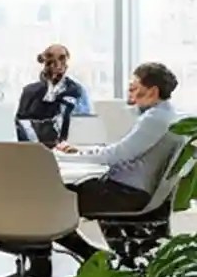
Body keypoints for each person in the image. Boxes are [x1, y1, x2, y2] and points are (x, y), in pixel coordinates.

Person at [53, 62, 182, 260]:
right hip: (129, 190)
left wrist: (74, 155)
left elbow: (118, 155)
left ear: (153, 91)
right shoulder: (166, 115)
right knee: (58, 196)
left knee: (49, 204)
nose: (130, 92)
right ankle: (91, 257)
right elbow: (122, 151)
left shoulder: (155, 119)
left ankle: (87, 258)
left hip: (126, 194)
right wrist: (82, 151)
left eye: (135, 87)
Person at [16, 44, 92, 146]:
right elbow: (20, 125)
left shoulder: (76, 91)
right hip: (33, 150)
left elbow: (83, 126)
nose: (56, 64)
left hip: (65, 148)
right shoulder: (30, 92)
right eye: (51, 58)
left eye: (62, 59)